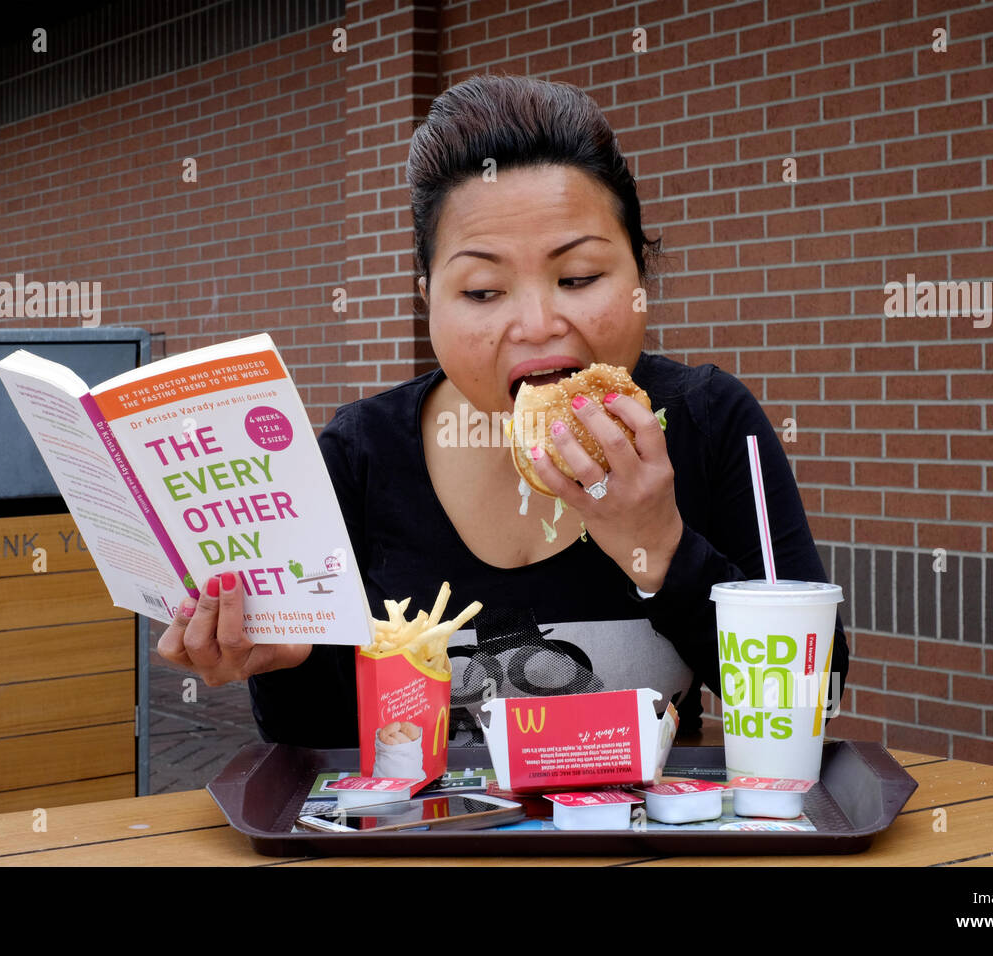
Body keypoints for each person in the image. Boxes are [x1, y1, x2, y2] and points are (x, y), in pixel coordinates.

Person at [157, 73, 850, 748]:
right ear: (428, 299)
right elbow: (321, 746)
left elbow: (813, 697)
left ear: (641, 271)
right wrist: (282, 665)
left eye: (578, 277)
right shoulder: (360, 457)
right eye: (483, 291)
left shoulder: (709, 423)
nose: (537, 324)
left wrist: (661, 547)